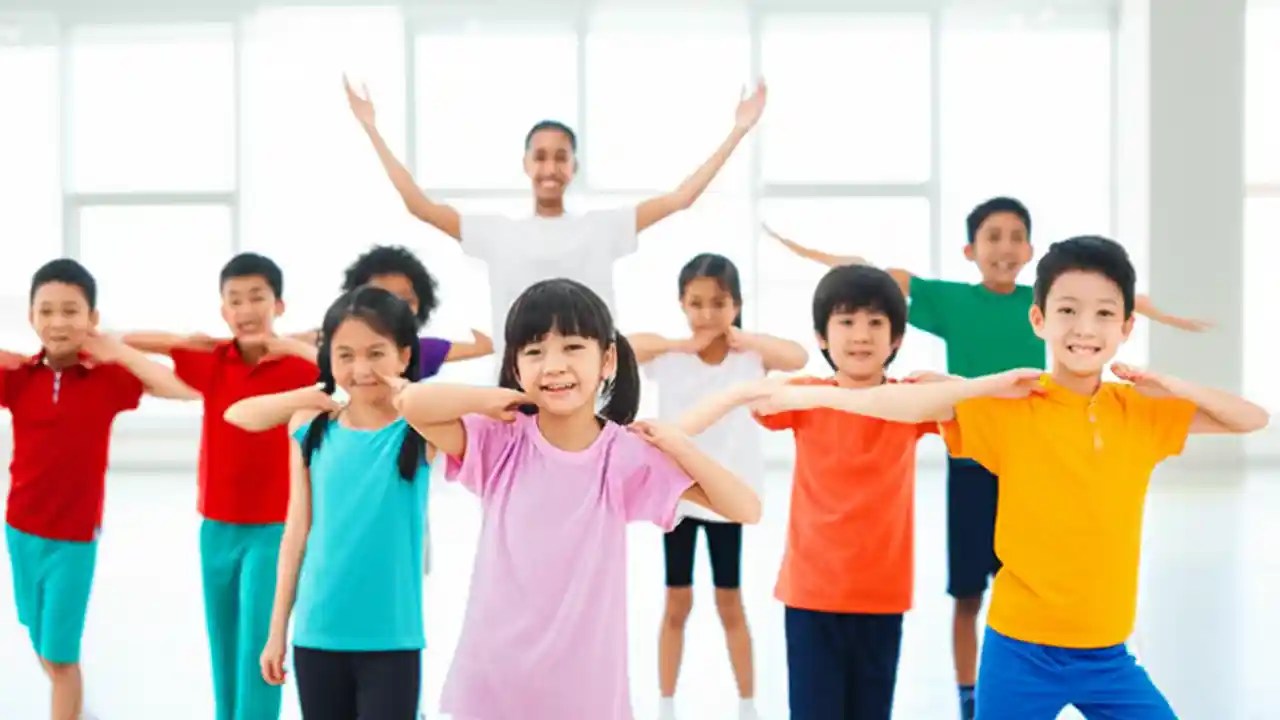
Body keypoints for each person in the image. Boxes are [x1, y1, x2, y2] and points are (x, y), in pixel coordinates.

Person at [753, 236, 1268, 719]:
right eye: (1068, 311)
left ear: (1126, 327)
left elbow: (1250, 418)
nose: (1085, 328)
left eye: (1104, 314)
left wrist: (1171, 383)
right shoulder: (1014, 405)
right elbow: (898, 404)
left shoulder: (1141, 411)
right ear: (1039, 319)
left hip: (1107, 656)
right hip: (1020, 650)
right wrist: (983, 384)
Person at [394, 278, 764, 719]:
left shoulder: (624, 456)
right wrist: (495, 397)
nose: (553, 365)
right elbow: (412, 403)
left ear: (607, 360)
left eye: (572, 347)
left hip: (585, 695)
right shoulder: (499, 440)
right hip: (494, 684)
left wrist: (681, 446)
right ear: (515, 366)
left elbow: (746, 508)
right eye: (534, 351)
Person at [344, 75, 767, 354]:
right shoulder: (496, 232)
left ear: (574, 167)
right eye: (541, 157)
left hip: (591, 385)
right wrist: (370, 127)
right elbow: (419, 205)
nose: (550, 168)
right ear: (526, 164)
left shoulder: (603, 228)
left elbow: (680, 198)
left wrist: (738, 129)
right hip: (518, 387)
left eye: (561, 157)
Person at [683, 264, 939, 720]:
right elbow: (757, 396)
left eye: (875, 322)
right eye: (846, 321)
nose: (861, 335)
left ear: (896, 339)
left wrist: (932, 382)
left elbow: (962, 402)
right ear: (822, 336)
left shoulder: (909, 403)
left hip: (882, 595)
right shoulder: (806, 398)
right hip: (811, 594)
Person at [120, 252, 319, 720]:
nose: (246, 309)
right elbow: (125, 341)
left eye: (257, 298)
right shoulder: (214, 361)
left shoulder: (300, 365)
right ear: (223, 310)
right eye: (235, 300)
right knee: (223, 646)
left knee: (259, 646)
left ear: (279, 305)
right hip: (216, 526)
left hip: (275, 529)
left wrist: (293, 344)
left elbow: (341, 370)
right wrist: (186, 340)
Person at [1, 259, 195, 720]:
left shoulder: (107, 379)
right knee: (41, 642)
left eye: (71, 311)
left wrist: (118, 350)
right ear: (31, 317)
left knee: (62, 658)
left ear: (92, 318)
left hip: (73, 540)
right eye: (46, 311)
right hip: (20, 530)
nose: (58, 322)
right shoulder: (19, 377)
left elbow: (183, 388)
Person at [224, 286, 430, 720]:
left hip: (393, 638)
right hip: (317, 634)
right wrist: (276, 631)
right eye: (345, 356)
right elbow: (295, 533)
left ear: (404, 355)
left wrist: (408, 392)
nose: (361, 369)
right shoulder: (312, 427)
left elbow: (474, 406)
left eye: (376, 353)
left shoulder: (421, 430)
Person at [629, 253, 807, 720]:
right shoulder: (670, 357)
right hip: (678, 497)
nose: (707, 313)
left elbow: (798, 356)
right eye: (696, 303)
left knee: (730, 601)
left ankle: (747, 705)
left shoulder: (750, 358)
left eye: (719, 303)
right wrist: (683, 343)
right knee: (676, 602)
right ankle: (666, 705)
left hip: (727, 498)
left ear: (736, 305)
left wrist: (742, 336)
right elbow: (622, 346)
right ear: (681, 303)